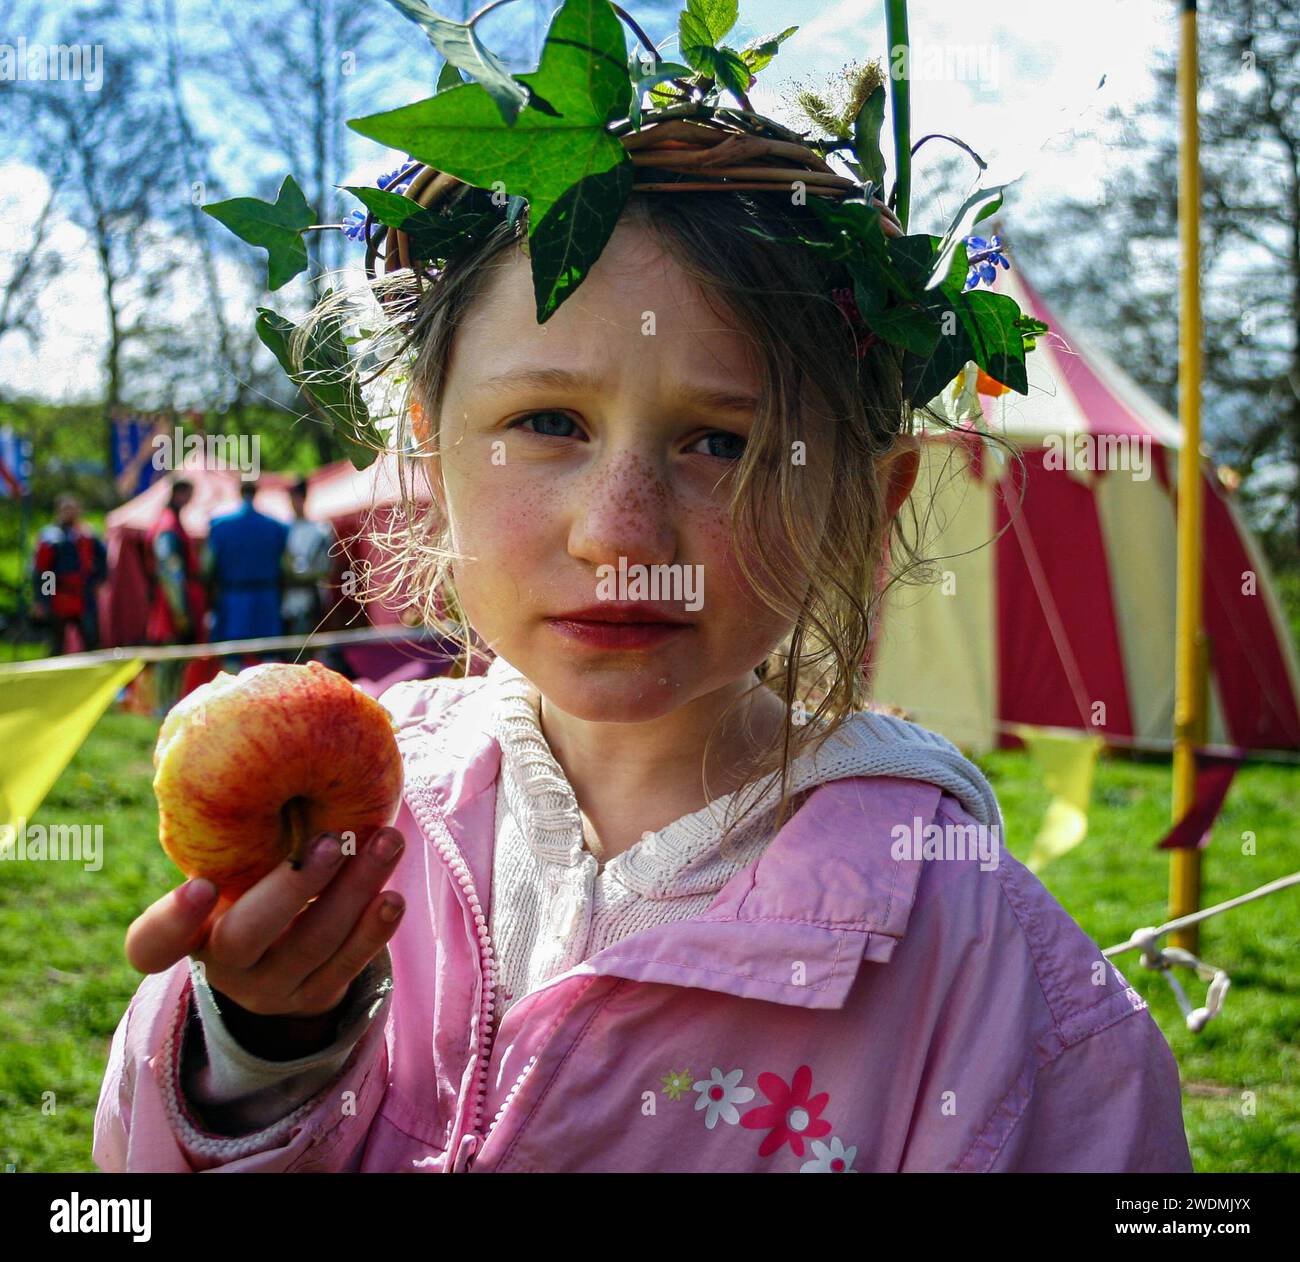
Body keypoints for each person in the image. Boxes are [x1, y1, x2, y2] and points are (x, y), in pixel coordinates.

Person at [95, 46, 1192, 1172]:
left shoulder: (998, 986)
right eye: (548, 422)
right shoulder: (339, 828)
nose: (620, 533)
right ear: (427, 439)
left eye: (726, 442)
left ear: (867, 498)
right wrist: (260, 1051)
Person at [203, 478, 289, 673]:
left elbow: (206, 567)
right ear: (256, 492)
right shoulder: (276, 526)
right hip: (267, 598)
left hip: (233, 600)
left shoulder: (219, 526)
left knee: (232, 659)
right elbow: (287, 565)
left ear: (239, 492)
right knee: (269, 660)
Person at [145, 477, 207, 713]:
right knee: (170, 656)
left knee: (177, 657)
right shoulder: (168, 526)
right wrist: (180, 610)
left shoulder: (172, 522)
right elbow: (169, 571)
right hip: (173, 601)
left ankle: (170, 705)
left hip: (177, 599)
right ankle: (163, 707)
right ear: (179, 493)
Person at [280, 476, 347, 672]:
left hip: (314, 597)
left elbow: (327, 566)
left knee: (313, 648)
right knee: (291, 650)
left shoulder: (320, 530)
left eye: (298, 496)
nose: (295, 501)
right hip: (289, 597)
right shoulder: (283, 529)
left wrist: (305, 576)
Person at [31, 493, 107, 655]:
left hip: (83, 595)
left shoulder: (87, 534)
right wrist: (45, 600)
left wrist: (98, 580)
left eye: (73, 509)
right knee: (57, 643)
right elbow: (44, 571)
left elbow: (102, 560)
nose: (70, 513)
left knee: (91, 640)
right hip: (59, 597)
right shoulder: (50, 537)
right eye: (66, 509)